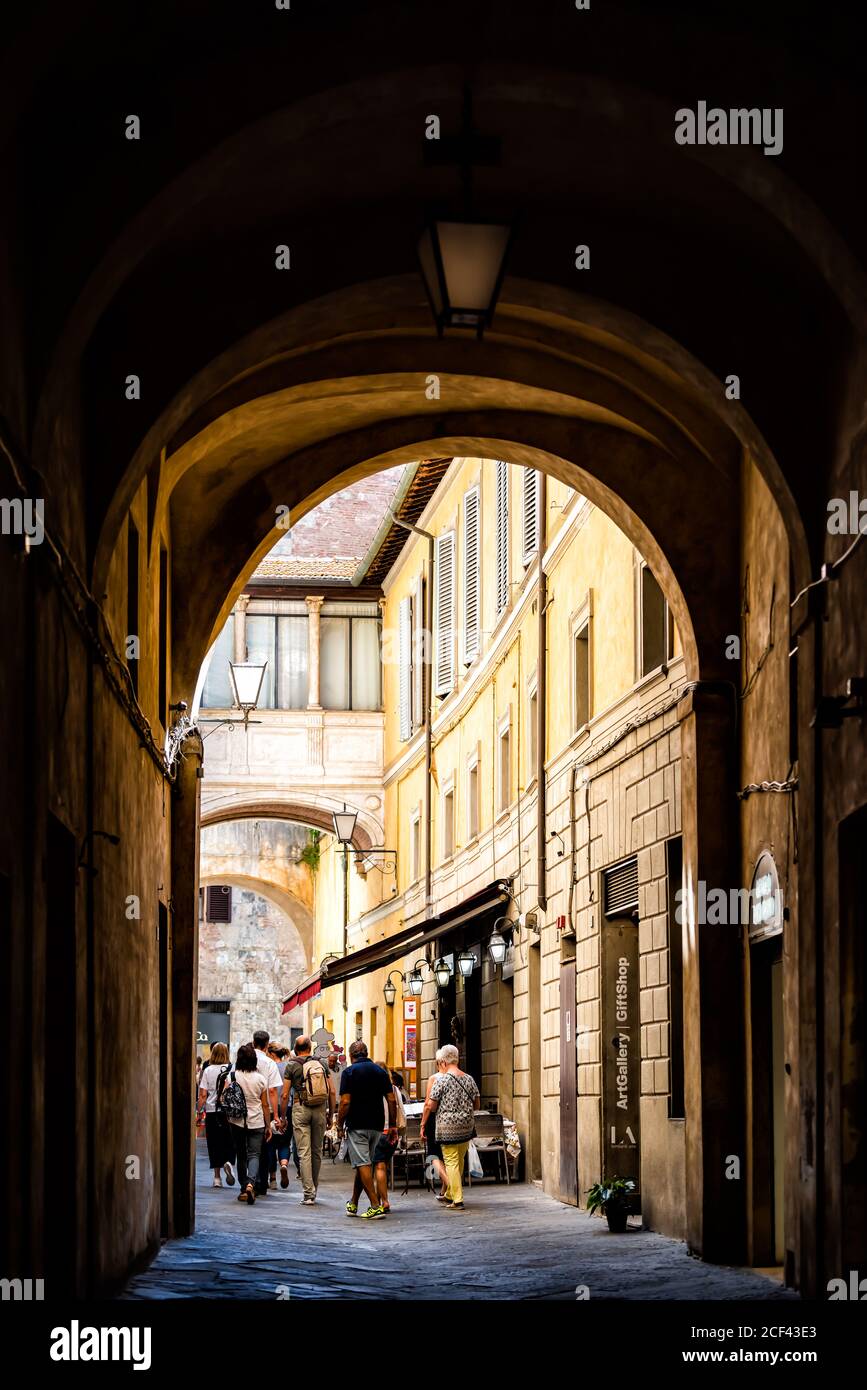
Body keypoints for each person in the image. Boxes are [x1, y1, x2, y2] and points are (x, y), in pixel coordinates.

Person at [337, 1040, 396, 1220]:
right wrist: (392, 1125)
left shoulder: (349, 1072)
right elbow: (391, 1099)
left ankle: (375, 1206)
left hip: (357, 1124)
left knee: (362, 1164)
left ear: (351, 1055)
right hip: (377, 1125)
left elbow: (345, 1102)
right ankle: (353, 1203)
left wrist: (339, 1124)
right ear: (367, 1053)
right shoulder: (380, 1071)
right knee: (363, 1164)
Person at [281, 1037, 335, 1206]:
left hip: (300, 1107)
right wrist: (331, 1114)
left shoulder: (292, 1065)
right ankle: (315, 1189)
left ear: (296, 1048)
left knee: (303, 1152)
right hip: (319, 1108)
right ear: (310, 1048)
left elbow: (284, 1094)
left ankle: (308, 1194)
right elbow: (332, 1091)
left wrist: (283, 1117)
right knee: (317, 1151)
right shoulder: (322, 1063)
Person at [426, 1044, 479, 1211]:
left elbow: (432, 1106)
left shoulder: (441, 1080)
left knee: (451, 1161)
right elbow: (477, 1104)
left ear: (443, 1061)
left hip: (447, 1128)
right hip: (466, 1126)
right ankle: (450, 1193)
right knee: (460, 1159)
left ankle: (457, 1199)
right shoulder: (469, 1079)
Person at [224, 1042, 273, 1205]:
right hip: (257, 1120)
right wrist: (268, 1125)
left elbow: (224, 1098)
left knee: (241, 1154)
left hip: (236, 1121)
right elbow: (265, 1104)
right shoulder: (260, 1079)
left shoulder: (232, 1076)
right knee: (254, 1154)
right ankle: (252, 1183)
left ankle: (244, 1186)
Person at [198, 1042, 236, 1188]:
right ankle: (227, 1161)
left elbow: (203, 1095)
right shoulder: (231, 1069)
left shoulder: (207, 1071)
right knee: (228, 1140)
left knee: (214, 1144)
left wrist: (199, 1111)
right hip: (228, 1112)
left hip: (212, 1111)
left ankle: (217, 1178)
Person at [371, 1064, 405, 1212]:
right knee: (383, 1166)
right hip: (393, 1133)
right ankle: (379, 1198)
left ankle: (383, 1201)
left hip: (380, 1132)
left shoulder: (372, 1089)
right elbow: (402, 1111)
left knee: (379, 1166)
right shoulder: (395, 1089)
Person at [253, 1030, 282, 1195]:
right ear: (266, 1044)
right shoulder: (269, 1063)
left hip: (248, 1108)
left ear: (253, 1042)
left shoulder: (245, 1059)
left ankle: (248, 1182)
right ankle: (262, 1183)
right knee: (265, 1147)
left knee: (249, 1147)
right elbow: (272, 1091)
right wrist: (276, 1115)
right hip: (266, 1110)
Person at [419, 1050, 449, 1198]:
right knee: (448, 1155)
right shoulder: (458, 1077)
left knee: (434, 1154)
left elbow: (428, 1104)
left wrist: (423, 1124)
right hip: (450, 1120)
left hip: (435, 1119)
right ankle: (445, 1190)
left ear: (439, 1063)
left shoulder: (434, 1078)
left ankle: (449, 1183)